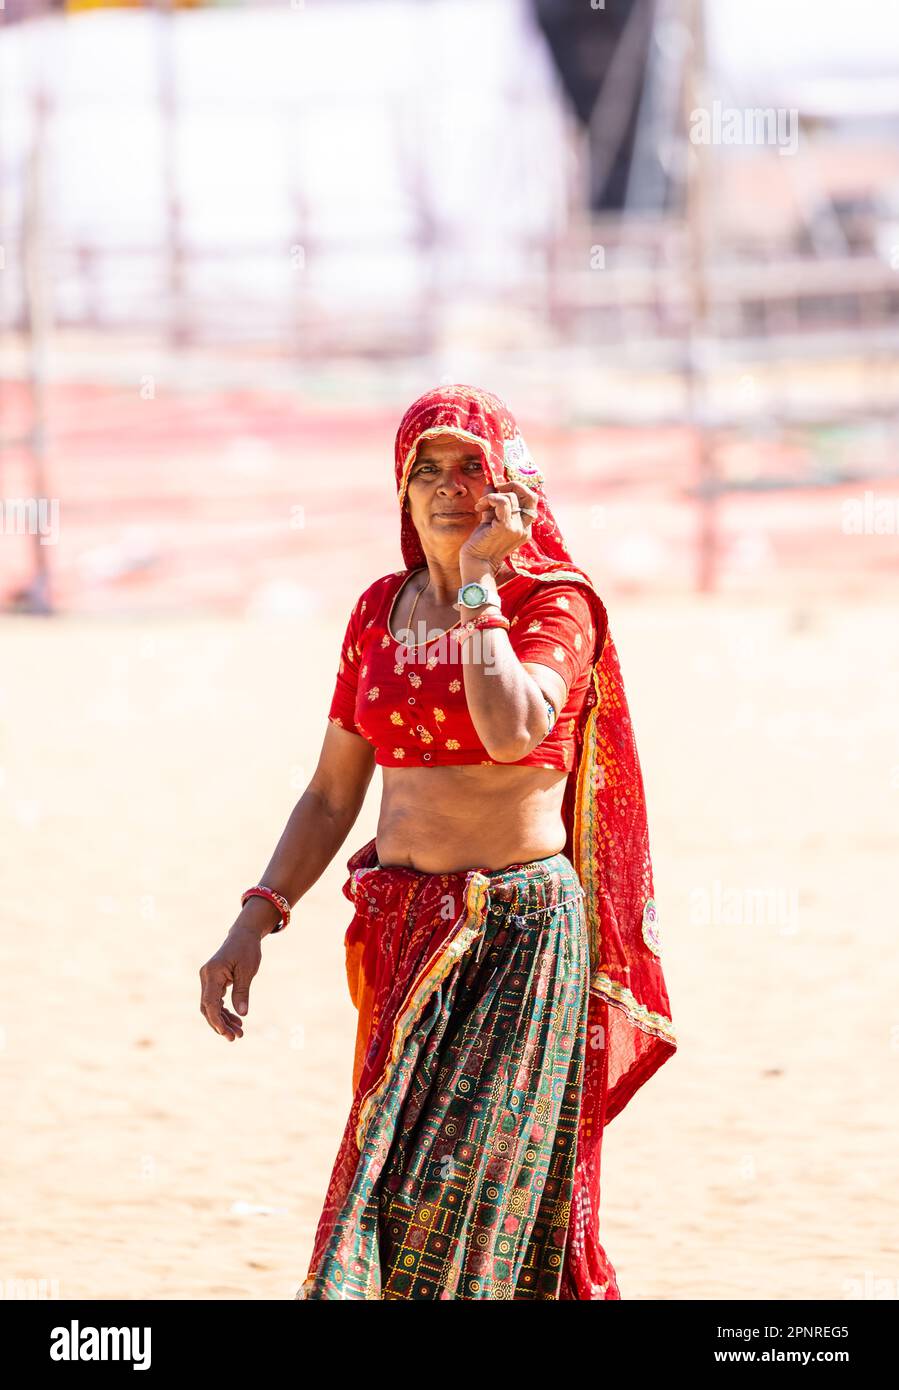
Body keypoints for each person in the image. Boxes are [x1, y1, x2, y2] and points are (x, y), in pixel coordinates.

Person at [199, 384, 677, 1300]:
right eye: (428, 470)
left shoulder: (555, 604)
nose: (450, 488)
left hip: (517, 940)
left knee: (457, 1197)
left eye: (471, 467)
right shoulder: (380, 609)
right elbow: (332, 790)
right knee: (379, 1189)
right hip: (403, 934)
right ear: (402, 489)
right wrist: (254, 919)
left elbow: (509, 730)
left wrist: (479, 589)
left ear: (510, 487)